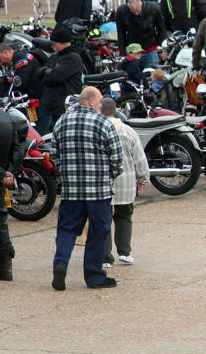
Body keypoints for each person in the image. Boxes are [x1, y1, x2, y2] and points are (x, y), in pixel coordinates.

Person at [51, 87, 123, 291]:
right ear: (91, 101)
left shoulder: (61, 122)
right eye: (99, 102)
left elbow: (54, 154)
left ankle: (60, 263)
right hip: (98, 190)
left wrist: (65, 173)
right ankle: (94, 276)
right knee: (98, 231)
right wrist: (111, 175)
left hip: (71, 191)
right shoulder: (103, 123)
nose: (101, 106)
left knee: (66, 230)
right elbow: (116, 157)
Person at [100, 97, 148, 267]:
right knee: (124, 216)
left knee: (103, 219)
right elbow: (140, 158)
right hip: (126, 181)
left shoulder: (97, 129)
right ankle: (125, 252)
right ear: (115, 111)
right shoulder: (128, 131)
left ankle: (105, 257)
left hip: (102, 182)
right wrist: (143, 178)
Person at [37, 29, 84, 135]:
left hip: (64, 105)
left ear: (60, 44)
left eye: (53, 44)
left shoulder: (72, 58)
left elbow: (56, 77)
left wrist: (46, 72)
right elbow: (40, 74)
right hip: (52, 104)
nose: (52, 47)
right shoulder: (55, 57)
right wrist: (46, 72)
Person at [0, 107, 26, 281]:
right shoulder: (6, 117)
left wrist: (3, 174)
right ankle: (6, 267)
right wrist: (9, 173)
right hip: (2, 178)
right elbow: (19, 147)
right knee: (0, 220)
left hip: (1, 176)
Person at [116, 0, 167, 68]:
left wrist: (162, 50)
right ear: (129, 6)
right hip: (133, 51)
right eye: (134, 11)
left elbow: (161, 30)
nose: (136, 13)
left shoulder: (153, 9)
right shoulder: (122, 12)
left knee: (153, 74)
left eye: (138, 10)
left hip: (150, 49)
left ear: (141, 4)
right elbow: (121, 33)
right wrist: (122, 53)